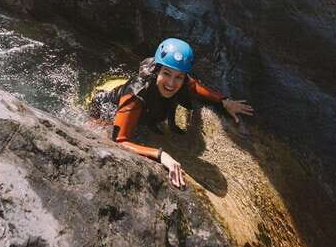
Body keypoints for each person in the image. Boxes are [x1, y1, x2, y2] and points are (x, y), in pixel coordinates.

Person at [89, 38, 253, 189]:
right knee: (101, 132)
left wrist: (224, 101)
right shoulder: (136, 94)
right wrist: (161, 155)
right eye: (166, 74)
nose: (172, 83)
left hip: (124, 91)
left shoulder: (182, 82)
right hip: (105, 104)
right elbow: (119, 141)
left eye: (178, 77)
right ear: (157, 70)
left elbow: (194, 85)